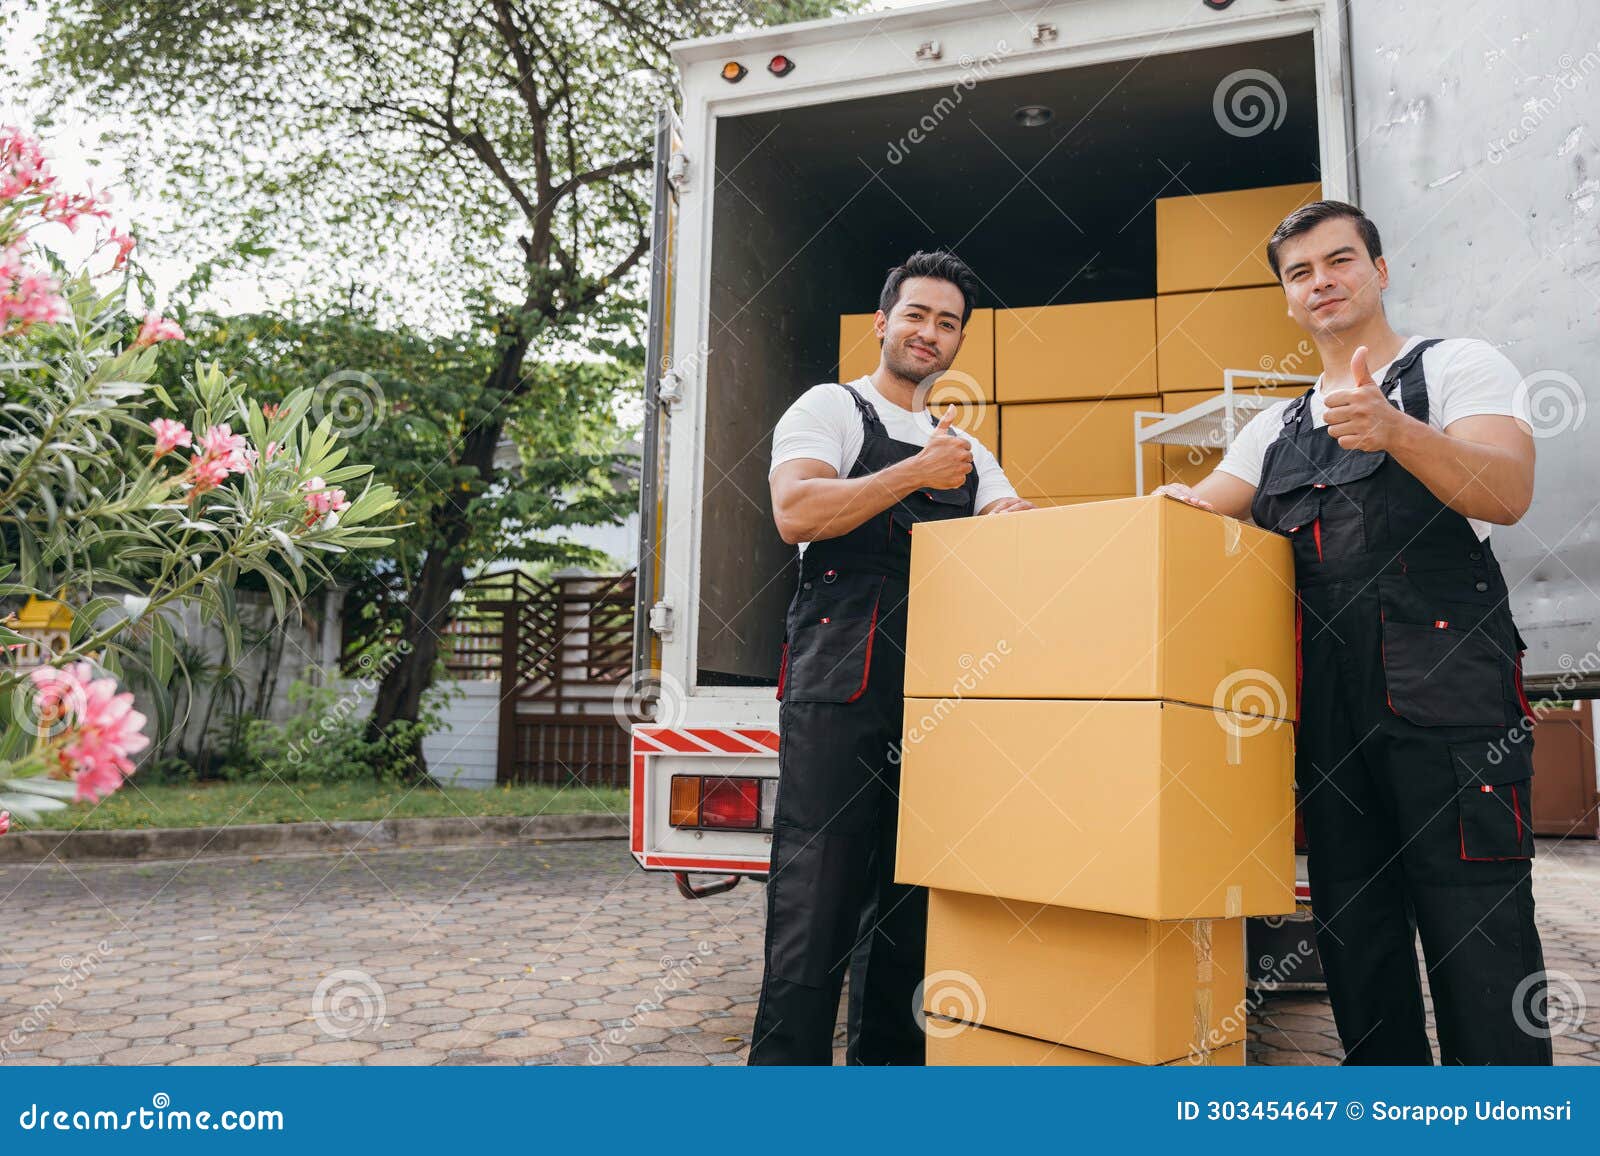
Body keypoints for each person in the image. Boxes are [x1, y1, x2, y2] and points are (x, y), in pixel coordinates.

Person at [1155, 200, 1550, 1065]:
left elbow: (1508, 490)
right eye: (1299, 273)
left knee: (1477, 940)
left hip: (1452, 713)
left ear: (1378, 270)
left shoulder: (1456, 367)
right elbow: (1186, 525)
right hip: (1331, 725)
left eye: (1338, 260)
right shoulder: (1274, 428)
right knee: (1357, 942)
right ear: (1287, 299)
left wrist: (1396, 431)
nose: (1320, 282)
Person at [750, 250, 1032, 1065]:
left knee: (912, 904)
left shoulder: (967, 451)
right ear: (883, 322)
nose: (929, 333)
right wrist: (916, 470)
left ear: (958, 344)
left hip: (939, 696)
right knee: (818, 894)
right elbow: (796, 511)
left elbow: (1011, 529)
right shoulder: (831, 409)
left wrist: (1023, 520)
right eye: (916, 314)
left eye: (947, 323)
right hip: (840, 683)